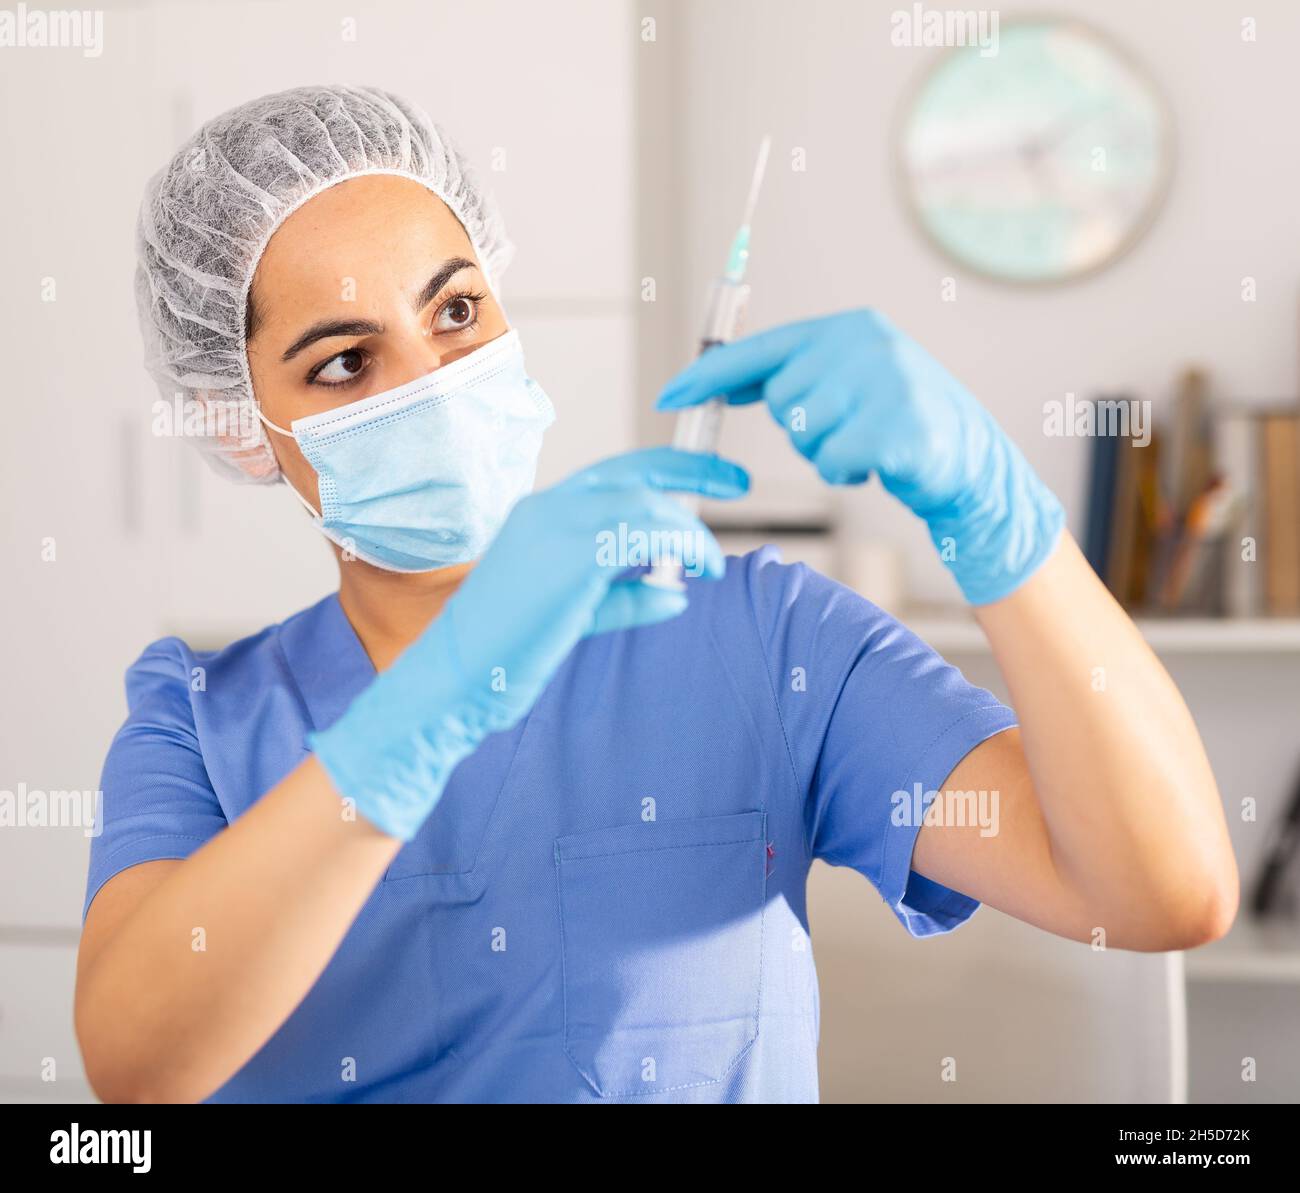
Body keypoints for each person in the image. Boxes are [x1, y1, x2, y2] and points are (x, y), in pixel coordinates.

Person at [74, 84, 1237, 1104]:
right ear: (242, 423)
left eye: (457, 310)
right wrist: (427, 710)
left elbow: (1157, 891)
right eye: (343, 360)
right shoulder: (201, 716)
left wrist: (1001, 522)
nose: (433, 379)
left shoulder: (764, 635)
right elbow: (135, 1064)